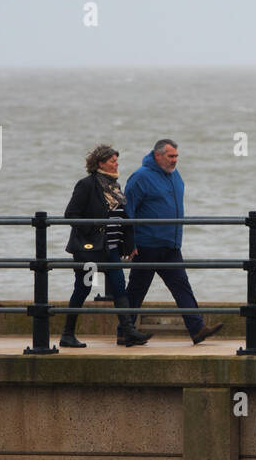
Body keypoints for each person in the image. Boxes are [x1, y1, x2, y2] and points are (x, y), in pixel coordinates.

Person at [124, 138, 223, 344]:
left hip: (170, 244)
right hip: (147, 244)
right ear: (157, 155)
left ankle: (197, 329)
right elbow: (128, 211)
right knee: (137, 289)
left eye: (177, 156)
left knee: (181, 286)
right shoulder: (140, 177)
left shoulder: (174, 175)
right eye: (171, 156)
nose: (174, 160)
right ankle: (124, 331)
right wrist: (129, 242)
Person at [61, 145, 152, 348]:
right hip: (89, 250)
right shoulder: (86, 185)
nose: (116, 164)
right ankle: (67, 334)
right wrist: (95, 228)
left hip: (110, 250)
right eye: (112, 161)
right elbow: (71, 214)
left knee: (119, 288)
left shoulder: (115, 186)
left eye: (116, 160)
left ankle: (128, 332)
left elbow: (124, 218)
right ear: (100, 163)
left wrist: (130, 244)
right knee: (83, 288)